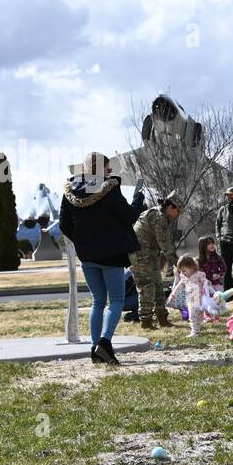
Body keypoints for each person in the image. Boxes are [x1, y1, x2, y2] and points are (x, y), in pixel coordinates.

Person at [59, 152, 145, 365]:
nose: (110, 172)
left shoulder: (70, 192)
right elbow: (129, 216)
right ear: (101, 170)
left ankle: (95, 347)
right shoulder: (110, 190)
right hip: (112, 254)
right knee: (116, 300)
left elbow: (64, 225)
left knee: (98, 301)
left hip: (87, 255)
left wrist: (81, 242)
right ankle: (105, 343)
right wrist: (138, 198)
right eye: (108, 169)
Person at [128, 191, 180, 331]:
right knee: (147, 287)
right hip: (139, 254)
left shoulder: (160, 215)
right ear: (170, 207)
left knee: (157, 284)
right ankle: (146, 321)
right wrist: (179, 263)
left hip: (149, 254)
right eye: (178, 210)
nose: (178, 214)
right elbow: (165, 245)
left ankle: (162, 318)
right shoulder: (159, 218)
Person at [168, 254, 212, 337]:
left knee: (197, 315)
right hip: (190, 300)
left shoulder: (198, 274)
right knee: (192, 316)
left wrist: (207, 282)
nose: (183, 273)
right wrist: (173, 295)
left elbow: (205, 281)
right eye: (181, 271)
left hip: (200, 299)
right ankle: (195, 332)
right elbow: (179, 286)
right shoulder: (184, 277)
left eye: (184, 270)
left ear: (191, 267)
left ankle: (197, 328)